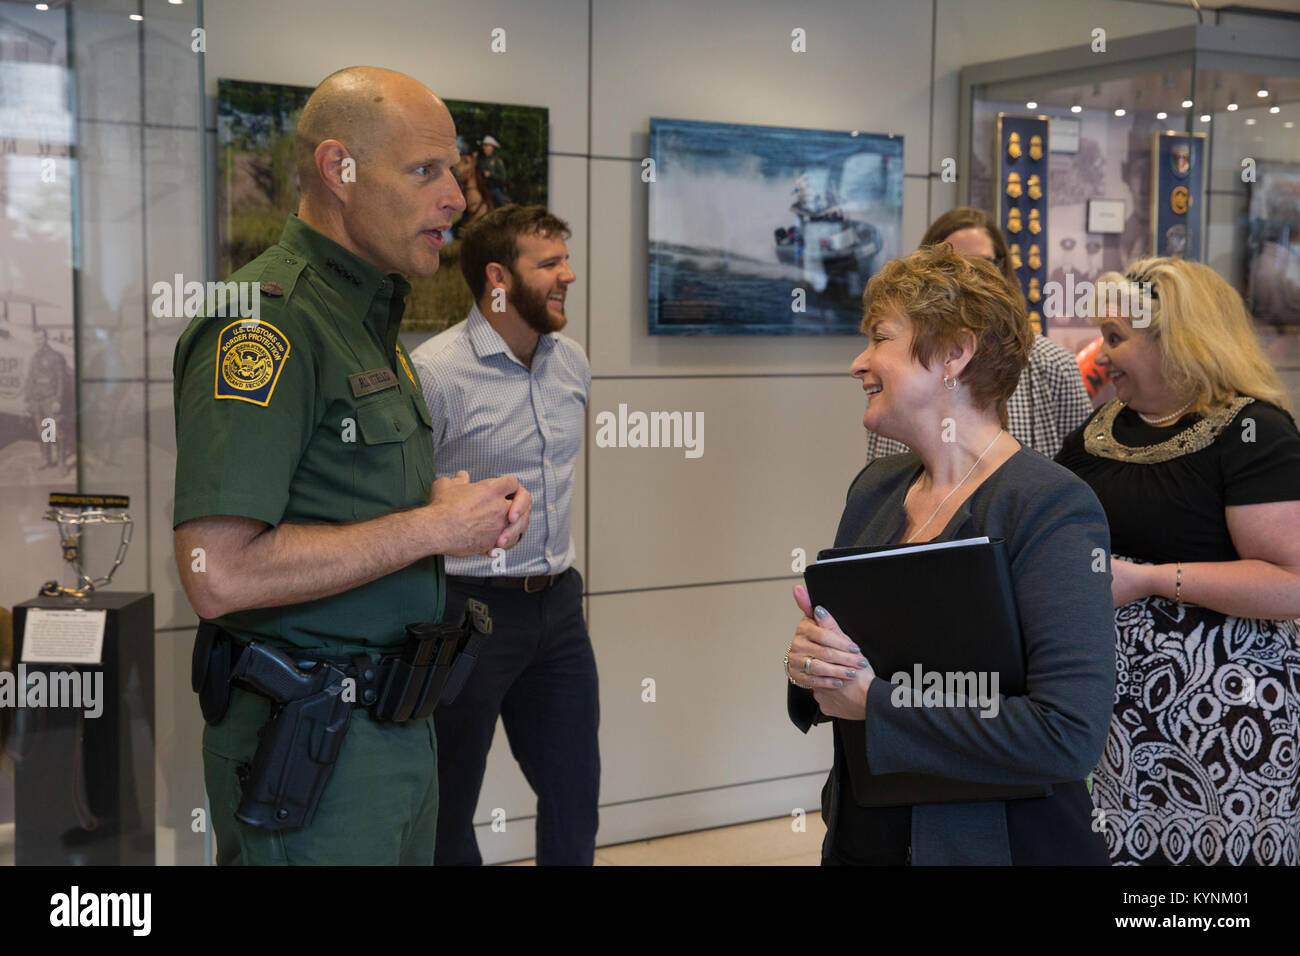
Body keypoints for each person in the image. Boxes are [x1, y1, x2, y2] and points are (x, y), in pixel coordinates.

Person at [171, 67, 534, 866]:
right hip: (310, 747)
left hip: (393, 727)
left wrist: (439, 509)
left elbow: (340, 503)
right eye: (424, 170)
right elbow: (217, 572)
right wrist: (428, 527)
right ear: (339, 168)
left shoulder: (363, 317)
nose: (457, 198)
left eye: (453, 171)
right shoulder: (269, 320)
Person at [786, 243, 1115, 865]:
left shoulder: (1049, 506)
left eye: (879, 337)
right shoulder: (875, 491)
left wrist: (876, 703)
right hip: (866, 834)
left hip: (995, 845)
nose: (858, 363)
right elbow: (850, 674)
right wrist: (810, 664)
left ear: (954, 354)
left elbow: (1066, 735)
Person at [1056, 259, 1300, 865]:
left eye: (1116, 338)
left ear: (1180, 340)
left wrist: (1147, 581)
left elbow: (1293, 584)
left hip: (1222, 711)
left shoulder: (1255, 432)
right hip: (1110, 713)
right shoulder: (1100, 427)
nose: (1100, 353)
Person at [410, 204, 597, 866]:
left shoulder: (572, 364)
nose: (568, 275)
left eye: (565, 260)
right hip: (465, 610)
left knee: (575, 794)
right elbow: (406, 504)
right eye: (549, 264)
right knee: (448, 806)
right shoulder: (434, 373)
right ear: (497, 278)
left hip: (558, 604)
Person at [865, 207, 1092, 461]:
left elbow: (1080, 471)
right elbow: (880, 472)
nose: (968, 278)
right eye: (952, 265)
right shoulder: (895, 369)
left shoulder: (1053, 363)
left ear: (1002, 268)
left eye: (982, 264)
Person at [23, 327, 72, 470]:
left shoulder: (55, 356)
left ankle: (62, 464)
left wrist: (57, 400)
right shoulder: (34, 357)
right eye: (35, 339)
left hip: (49, 400)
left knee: (56, 432)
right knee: (43, 432)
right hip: (37, 401)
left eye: (40, 338)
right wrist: (27, 399)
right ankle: (47, 460)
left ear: (45, 338)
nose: (37, 342)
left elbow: (61, 380)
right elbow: (30, 379)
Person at [478, 135, 509, 208]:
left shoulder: (497, 160)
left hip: (493, 187)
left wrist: (490, 174)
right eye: (483, 145)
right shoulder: (481, 160)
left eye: (486, 146)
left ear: (492, 148)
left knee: (502, 204)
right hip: (481, 187)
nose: (483, 148)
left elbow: (503, 177)